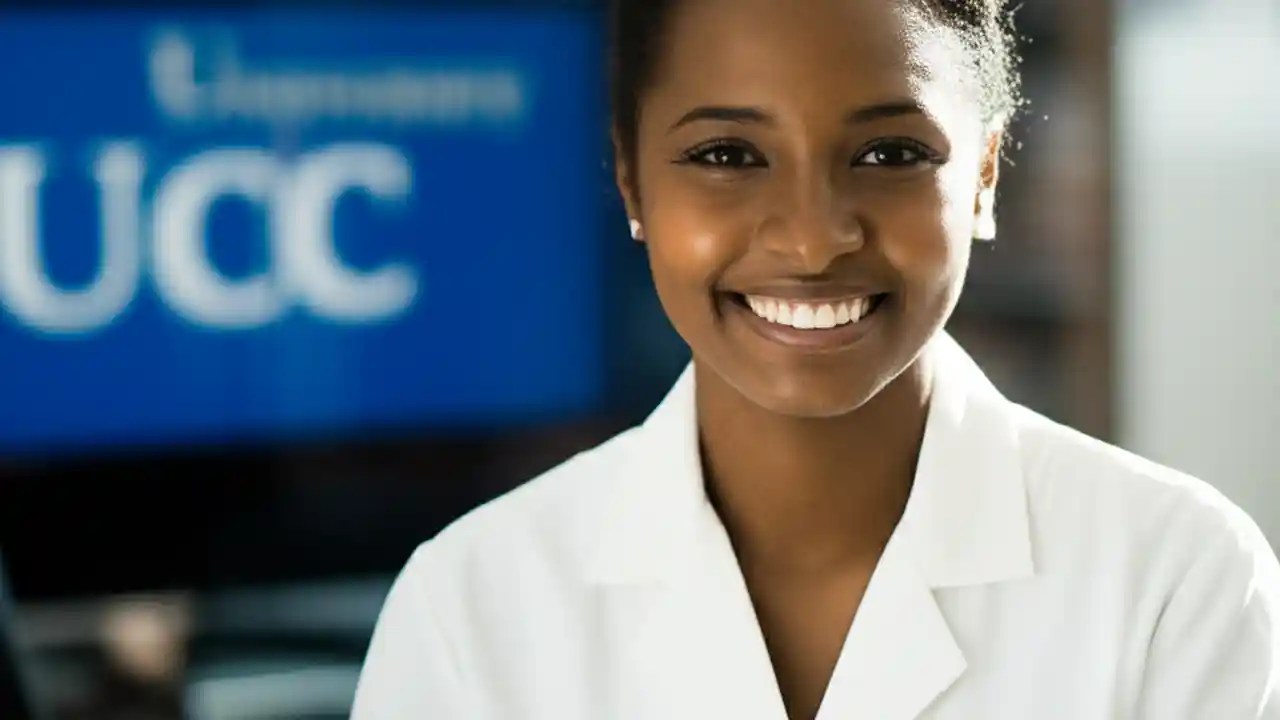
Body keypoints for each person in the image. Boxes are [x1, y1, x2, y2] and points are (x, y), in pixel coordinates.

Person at [352, 0, 1280, 717]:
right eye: (726, 153)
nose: (811, 239)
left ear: (986, 176)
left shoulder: (1173, 578)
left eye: (889, 152)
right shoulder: (473, 605)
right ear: (632, 179)